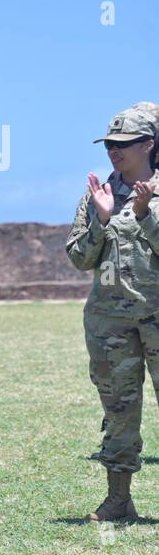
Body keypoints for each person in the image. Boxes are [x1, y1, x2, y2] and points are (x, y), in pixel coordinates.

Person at [66, 103, 159, 523]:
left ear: (148, 145)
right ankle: (118, 499)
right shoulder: (97, 193)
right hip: (110, 323)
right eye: (109, 144)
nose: (113, 151)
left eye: (123, 144)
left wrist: (144, 217)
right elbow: (79, 258)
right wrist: (102, 220)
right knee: (119, 409)